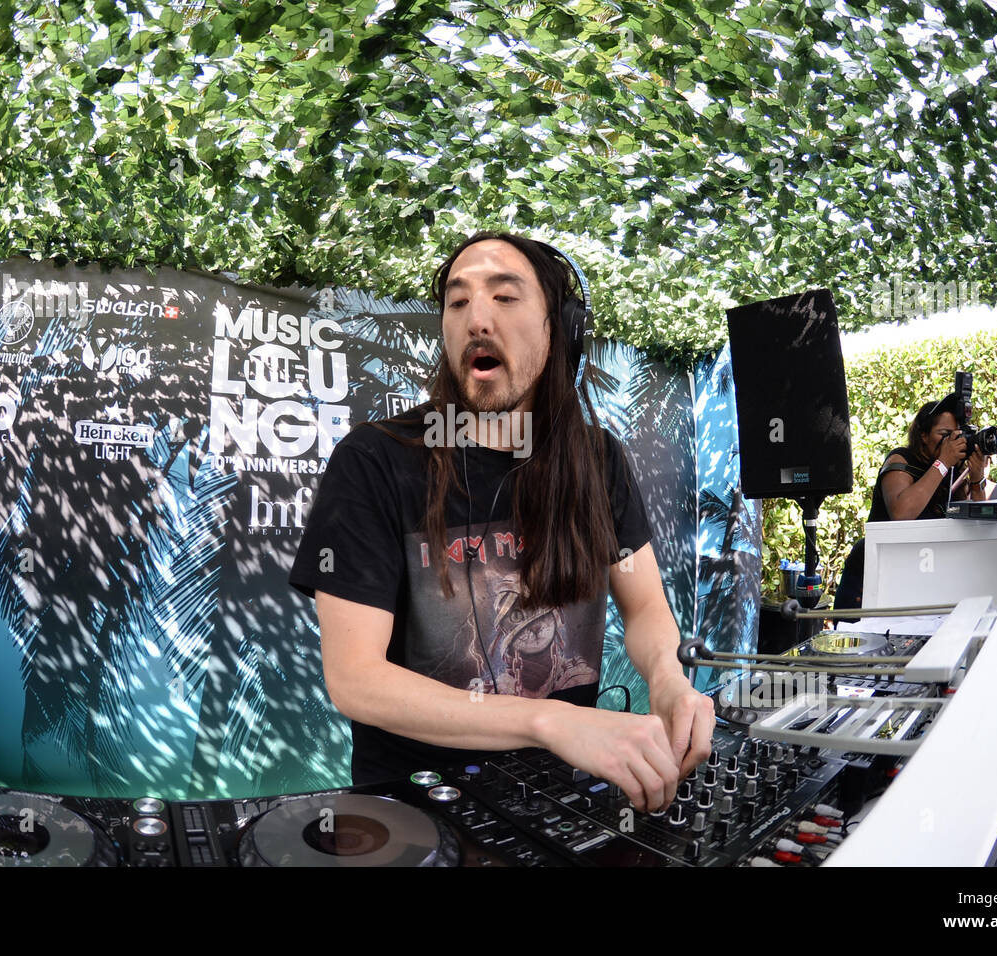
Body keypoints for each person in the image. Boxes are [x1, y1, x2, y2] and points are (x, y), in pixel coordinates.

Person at [289, 232, 714, 813]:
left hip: (564, 800)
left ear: (557, 327)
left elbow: (644, 608)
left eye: (505, 297)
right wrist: (550, 720)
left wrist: (667, 678)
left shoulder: (599, 460)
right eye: (458, 303)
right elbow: (355, 678)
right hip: (416, 814)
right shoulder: (375, 460)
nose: (477, 320)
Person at [834, 392, 997, 612]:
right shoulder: (901, 459)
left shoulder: (950, 472)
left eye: (956, 435)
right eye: (944, 434)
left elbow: (975, 526)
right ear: (923, 435)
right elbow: (901, 513)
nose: (951, 442)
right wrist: (943, 462)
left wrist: (976, 479)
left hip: (914, 578)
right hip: (869, 579)